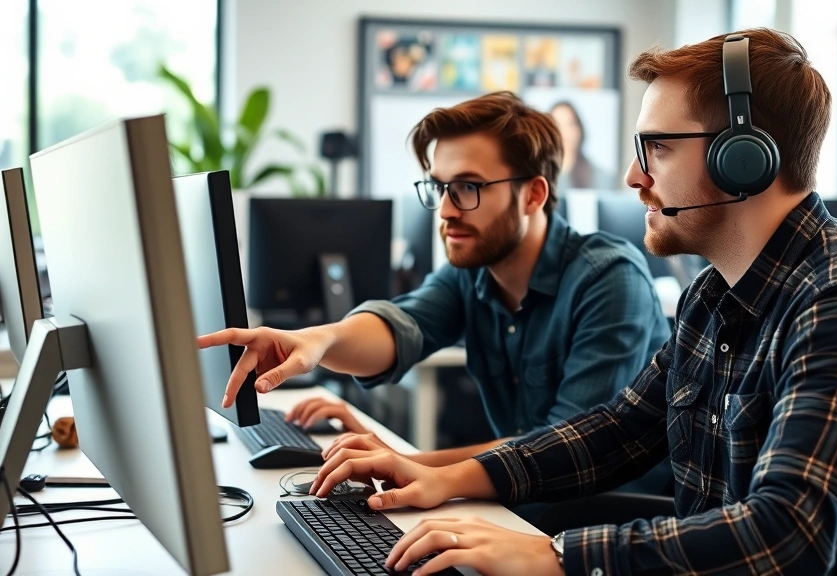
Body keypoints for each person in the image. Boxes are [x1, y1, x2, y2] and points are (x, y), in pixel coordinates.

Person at [295, 28, 837, 576]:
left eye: (658, 148)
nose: (635, 176)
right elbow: (619, 430)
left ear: (744, 160)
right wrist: (452, 478)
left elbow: (787, 536)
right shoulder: (714, 294)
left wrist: (555, 555)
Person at [201, 91, 671, 493]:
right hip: (517, 500)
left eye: (467, 187)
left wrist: (409, 463)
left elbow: (565, 448)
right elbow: (400, 326)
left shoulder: (609, 279)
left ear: (533, 194)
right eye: (438, 187)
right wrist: (316, 342)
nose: (445, 210)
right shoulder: (473, 271)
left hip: (599, 521)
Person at [549, 101, 615, 190]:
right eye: (556, 125)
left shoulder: (600, 177)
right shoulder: (536, 173)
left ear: (579, 131)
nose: (563, 132)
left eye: (569, 124)